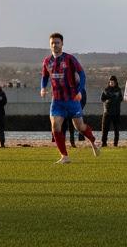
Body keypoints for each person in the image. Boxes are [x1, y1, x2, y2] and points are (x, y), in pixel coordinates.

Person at [40, 32, 100, 163]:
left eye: (57, 42)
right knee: (55, 127)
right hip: (57, 100)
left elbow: (82, 75)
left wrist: (79, 91)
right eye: (52, 43)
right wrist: (43, 88)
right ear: (50, 45)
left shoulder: (70, 59)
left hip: (72, 99)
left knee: (80, 127)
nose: (55, 45)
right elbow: (44, 77)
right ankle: (64, 156)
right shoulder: (47, 61)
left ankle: (92, 141)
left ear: (62, 44)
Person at [100, 76, 123, 147]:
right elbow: (102, 99)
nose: (111, 83)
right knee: (105, 129)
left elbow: (121, 99)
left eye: (113, 82)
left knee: (116, 129)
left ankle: (115, 143)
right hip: (107, 112)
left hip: (116, 112)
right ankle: (104, 143)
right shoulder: (106, 90)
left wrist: (115, 101)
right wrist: (108, 101)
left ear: (115, 83)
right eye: (110, 82)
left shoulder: (118, 90)